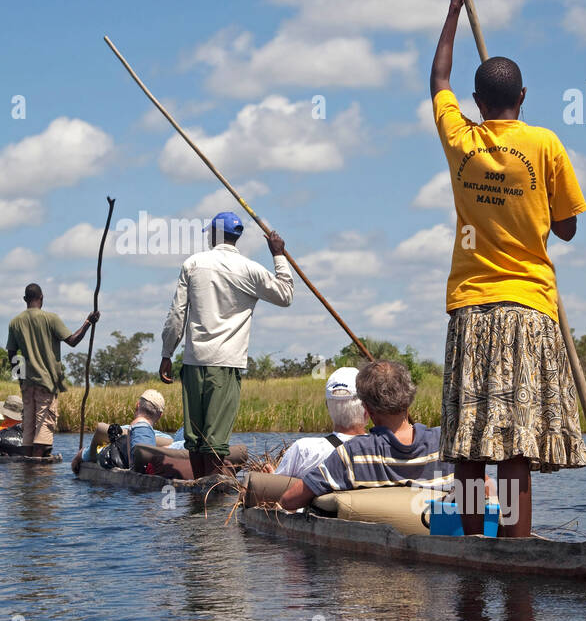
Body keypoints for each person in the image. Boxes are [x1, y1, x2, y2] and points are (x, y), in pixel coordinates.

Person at [430, 0, 586, 537]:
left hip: (472, 306)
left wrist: (453, 7)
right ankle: (517, 546)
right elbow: (568, 229)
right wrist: (538, 212)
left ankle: (474, 545)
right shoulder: (545, 143)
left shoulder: (460, 139)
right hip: (529, 306)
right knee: (517, 441)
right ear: (523, 97)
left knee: (471, 442)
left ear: (477, 101)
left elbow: (438, 81)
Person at [160, 211, 293, 478]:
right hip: (226, 363)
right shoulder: (250, 268)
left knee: (196, 442)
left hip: (194, 361)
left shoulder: (194, 264)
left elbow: (177, 314)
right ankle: (213, 504)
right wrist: (278, 254)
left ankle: (199, 502)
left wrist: (166, 353)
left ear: (213, 234)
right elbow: (285, 294)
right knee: (215, 443)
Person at [274, 361, 454, 511]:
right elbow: (480, 488)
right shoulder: (445, 441)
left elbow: (289, 501)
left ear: (367, 410)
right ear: (408, 401)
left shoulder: (354, 452)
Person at [5, 284, 99, 458]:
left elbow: (11, 353)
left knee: (28, 432)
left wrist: (20, 378)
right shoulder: (51, 319)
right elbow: (73, 340)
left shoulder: (15, 322)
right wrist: (88, 322)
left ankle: (27, 473)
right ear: (42, 297)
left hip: (27, 385)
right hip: (46, 384)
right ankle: (39, 476)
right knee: (43, 430)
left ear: (25, 300)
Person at [269, 366, 368, 478]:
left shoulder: (303, 450)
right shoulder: (381, 451)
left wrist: (271, 478)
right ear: (367, 409)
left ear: (328, 407)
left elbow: (278, 491)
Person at [72, 389, 172, 472]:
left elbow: (92, 452)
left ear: (137, 405)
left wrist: (79, 456)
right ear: (160, 416)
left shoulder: (120, 431)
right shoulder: (167, 439)